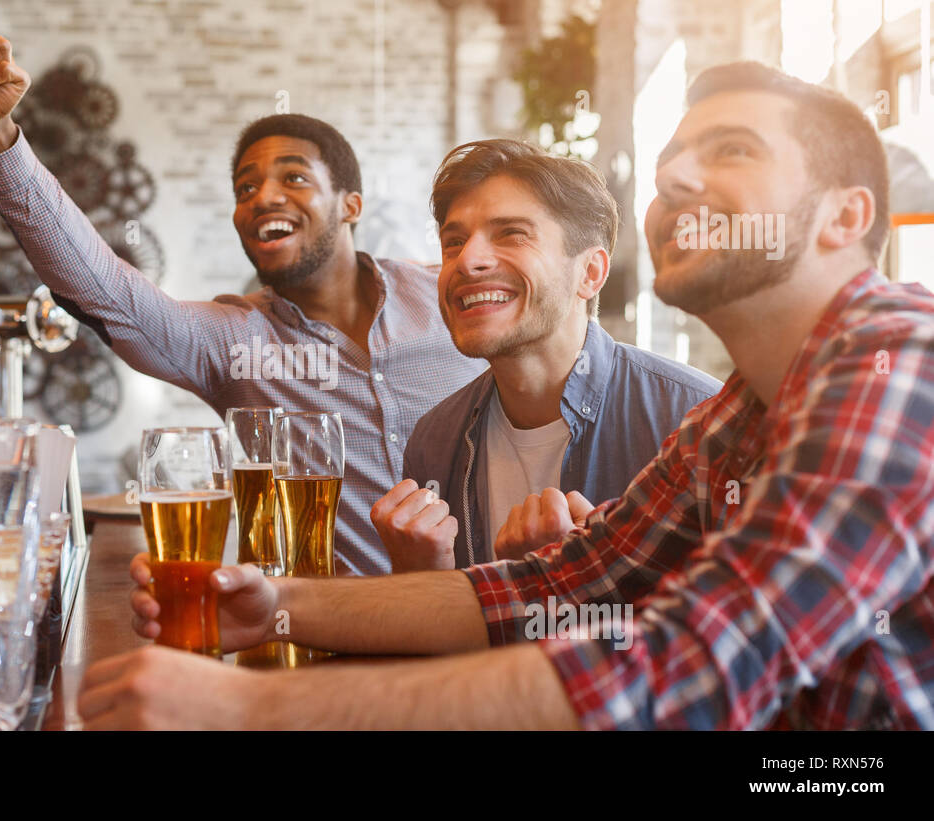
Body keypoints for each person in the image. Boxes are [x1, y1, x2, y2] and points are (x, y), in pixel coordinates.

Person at [85, 61, 934, 730]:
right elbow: (551, 586)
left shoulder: (903, 361)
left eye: (733, 150)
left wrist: (250, 709)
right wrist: (277, 606)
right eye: (674, 156)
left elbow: (698, 669)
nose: (674, 176)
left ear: (844, 215)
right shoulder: (736, 414)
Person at [0, 36, 485, 575]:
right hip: (326, 640)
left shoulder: (448, 295)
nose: (264, 197)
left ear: (351, 205)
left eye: (293, 177)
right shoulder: (233, 342)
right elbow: (100, 287)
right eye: (246, 189)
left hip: (486, 618)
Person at [370, 140, 720, 572]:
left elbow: (743, 630)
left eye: (512, 234)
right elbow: (451, 636)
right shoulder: (433, 442)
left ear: (590, 273)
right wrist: (423, 580)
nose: (468, 260)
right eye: (453, 243)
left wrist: (561, 581)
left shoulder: (695, 420)